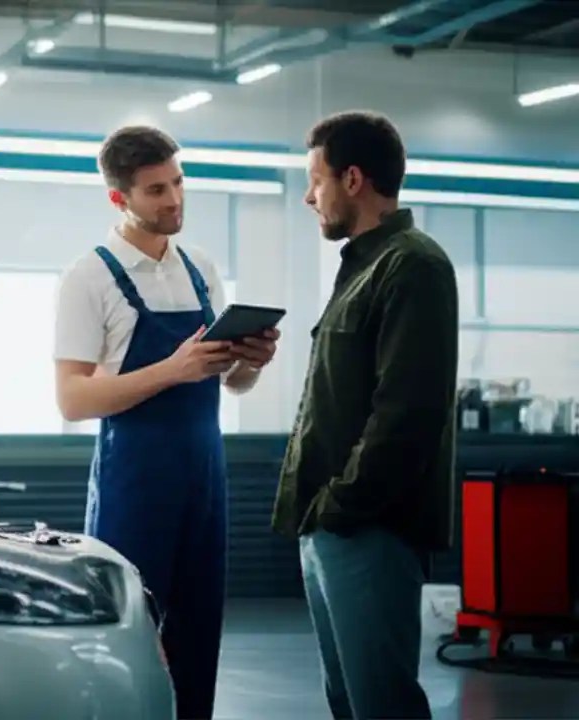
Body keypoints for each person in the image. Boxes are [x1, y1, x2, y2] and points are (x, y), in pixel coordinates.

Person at [53, 125, 279, 719]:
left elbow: (231, 384)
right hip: (134, 481)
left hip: (206, 477)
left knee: (200, 633)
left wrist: (249, 363)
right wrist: (171, 369)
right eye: (156, 190)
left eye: (178, 182)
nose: (174, 199)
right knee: (126, 637)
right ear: (118, 198)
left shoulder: (201, 268)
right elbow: (73, 399)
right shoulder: (88, 277)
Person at [272, 110, 459, 720]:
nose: (308, 196)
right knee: (348, 703)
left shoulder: (413, 265)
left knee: (382, 705)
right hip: (329, 526)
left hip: (368, 527)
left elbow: (406, 413)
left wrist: (339, 505)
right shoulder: (362, 265)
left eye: (315, 180)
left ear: (353, 179)